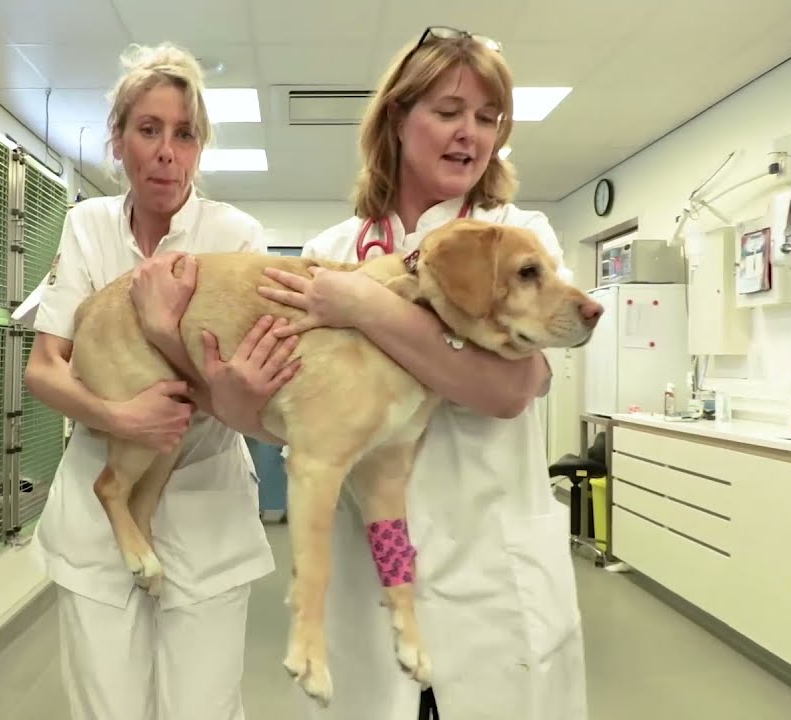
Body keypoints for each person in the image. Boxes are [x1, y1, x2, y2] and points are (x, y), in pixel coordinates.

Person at [255, 27, 588, 720]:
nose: (471, 133)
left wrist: (367, 308)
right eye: (448, 111)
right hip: (370, 581)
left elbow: (509, 390)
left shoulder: (522, 238)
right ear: (397, 118)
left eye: (488, 117)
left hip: (490, 574)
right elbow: (279, 405)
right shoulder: (332, 252)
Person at [21, 42, 299, 720]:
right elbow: (42, 367)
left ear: (199, 146)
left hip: (207, 507)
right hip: (96, 512)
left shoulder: (234, 236)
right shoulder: (88, 225)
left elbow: (244, 405)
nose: (167, 151)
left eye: (184, 133)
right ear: (118, 140)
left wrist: (162, 331)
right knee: (104, 708)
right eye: (148, 130)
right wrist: (119, 418)